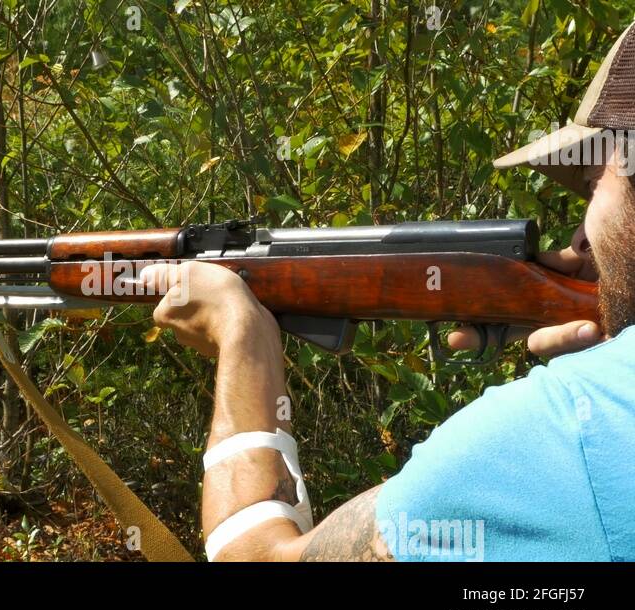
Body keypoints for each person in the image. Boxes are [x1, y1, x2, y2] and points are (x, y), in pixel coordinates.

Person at [139, 21, 635, 561]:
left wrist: (243, 338)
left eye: (592, 185)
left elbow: (253, 558)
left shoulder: (559, 428)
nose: (578, 237)